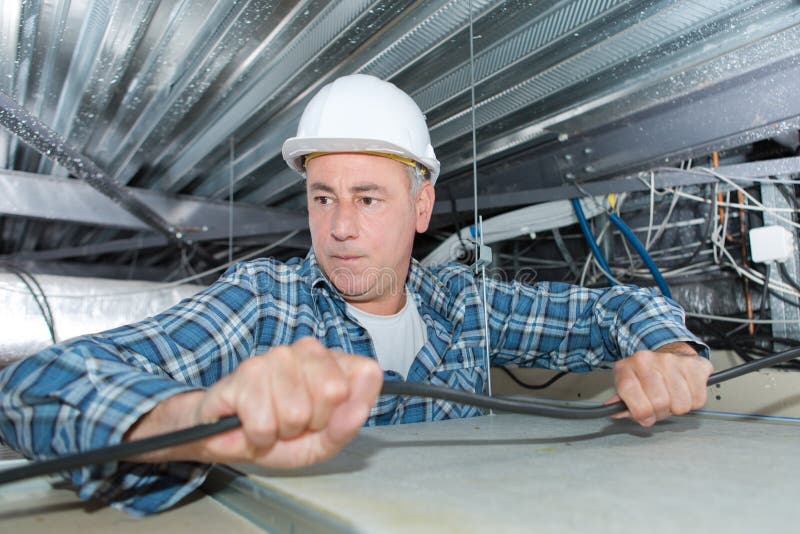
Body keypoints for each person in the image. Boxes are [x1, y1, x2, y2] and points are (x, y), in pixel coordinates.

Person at [0, 74, 712, 515]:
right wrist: (193, 417)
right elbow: (34, 386)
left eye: (369, 199)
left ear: (421, 204)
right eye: (322, 197)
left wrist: (667, 349)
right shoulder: (265, 302)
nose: (339, 228)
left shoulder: (470, 304)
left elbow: (613, 307)